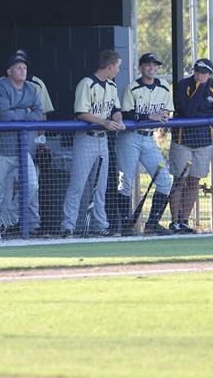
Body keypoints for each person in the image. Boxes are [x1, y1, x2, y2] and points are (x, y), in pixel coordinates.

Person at [60, 49, 125, 237]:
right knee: (78, 185)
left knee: (100, 187)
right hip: (86, 138)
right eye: (118, 67)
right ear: (110, 66)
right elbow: (80, 113)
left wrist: (118, 120)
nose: (118, 70)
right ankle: (68, 226)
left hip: (102, 140)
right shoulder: (86, 83)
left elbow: (116, 110)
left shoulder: (111, 86)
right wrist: (104, 122)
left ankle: (100, 225)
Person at [114, 53, 173, 236]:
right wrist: (150, 117)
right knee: (126, 183)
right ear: (140, 68)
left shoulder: (164, 86)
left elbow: (167, 110)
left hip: (149, 138)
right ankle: (125, 225)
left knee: (164, 180)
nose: (152, 68)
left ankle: (153, 223)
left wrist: (164, 115)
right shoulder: (132, 88)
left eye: (155, 65)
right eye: (148, 65)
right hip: (130, 137)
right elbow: (127, 114)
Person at [0, 53, 42, 236]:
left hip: (22, 149)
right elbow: (4, 116)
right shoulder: (0, 86)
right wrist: (25, 111)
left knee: (32, 185)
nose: (23, 70)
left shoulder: (31, 88)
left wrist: (16, 112)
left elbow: (39, 113)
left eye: (24, 67)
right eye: (18, 67)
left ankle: (5, 221)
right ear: (9, 71)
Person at [168, 58, 213, 233]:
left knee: (194, 181)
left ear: (210, 74)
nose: (199, 75)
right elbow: (188, 111)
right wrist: (199, 89)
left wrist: (202, 112)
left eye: (203, 72)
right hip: (183, 140)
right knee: (180, 179)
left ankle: (184, 220)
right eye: (197, 71)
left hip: (204, 141)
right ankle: (174, 221)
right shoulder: (185, 84)